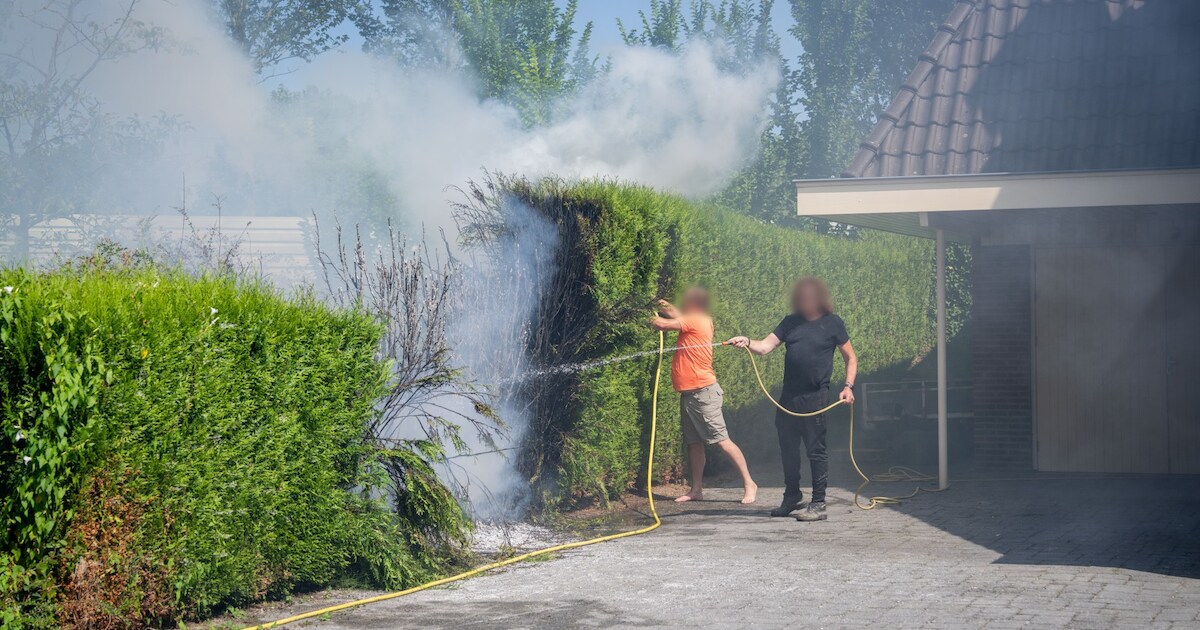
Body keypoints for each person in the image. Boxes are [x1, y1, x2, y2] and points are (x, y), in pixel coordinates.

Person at [727, 277, 857, 522]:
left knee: (816, 451)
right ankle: (792, 496)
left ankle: (818, 503)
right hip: (788, 399)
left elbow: (851, 358)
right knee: (788, 449)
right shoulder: (790, 322)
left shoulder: (833, 324)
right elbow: (765, 347)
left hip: (816, 398)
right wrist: (747, 342)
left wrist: (848, 387)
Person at [650, 287, 757, 504]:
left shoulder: (697, 319)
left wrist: (639, 313)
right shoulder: (694, 318)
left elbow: (661, 324)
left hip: (703, 393)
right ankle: (696, 490)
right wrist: (657, 302)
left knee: (722, 441)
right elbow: (673, 313)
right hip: (689, 395)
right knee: (694, 443)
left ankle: (749, 483)